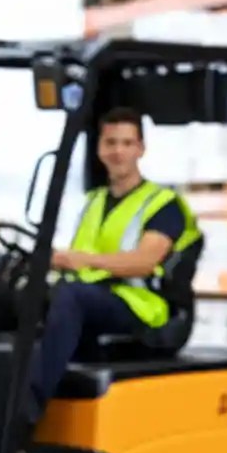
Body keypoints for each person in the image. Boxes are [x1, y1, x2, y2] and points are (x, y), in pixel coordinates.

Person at [23, 106, 201, 422]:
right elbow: (81, 258)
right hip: (100, 301)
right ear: (99, 149)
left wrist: (82, 261)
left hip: (145, 309)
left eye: (127, 143)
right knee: (18, 296)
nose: (118, 151)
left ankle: (27, 411)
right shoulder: (93, 202)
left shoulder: (163, 203)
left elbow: (145, 261)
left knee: (71, 296)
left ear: (141, 149)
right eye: (111, 143)